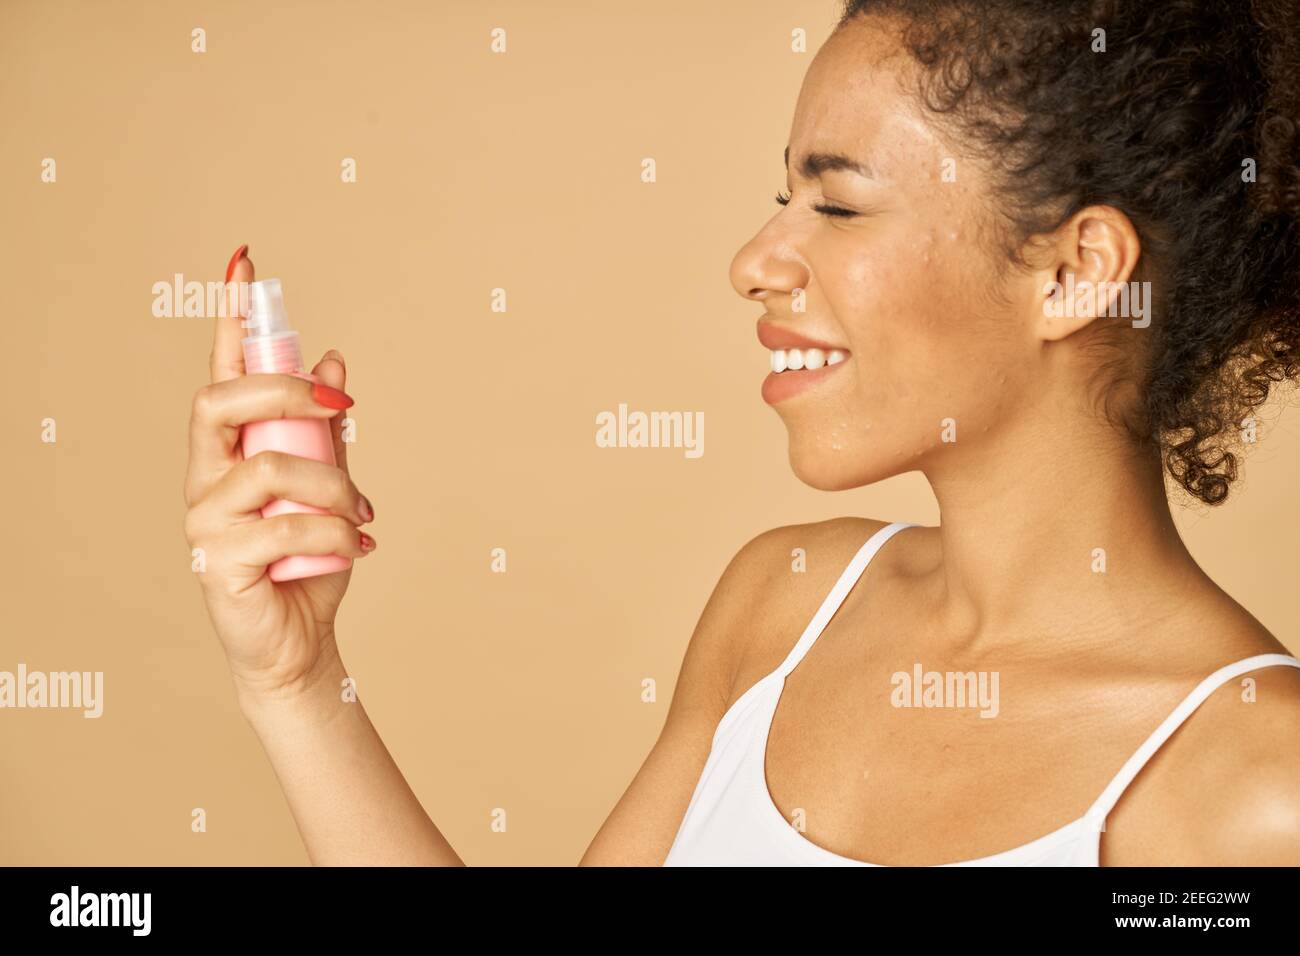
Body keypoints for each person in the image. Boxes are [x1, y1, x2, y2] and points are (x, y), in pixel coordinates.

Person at [184, 1, 1300, 865]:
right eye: (781, 197)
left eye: (838, 204)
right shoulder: (784, 609)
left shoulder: (1259, 784)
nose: (753, 262)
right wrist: (298, 680)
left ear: (1071, 273)